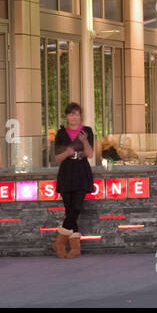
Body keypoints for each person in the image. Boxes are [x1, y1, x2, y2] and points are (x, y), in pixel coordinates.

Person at [53, 102, 95, 257]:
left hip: (82, 171)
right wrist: (67, 152)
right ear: (67, 116)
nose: (74, 117)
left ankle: (59, 242)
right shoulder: (61, 134)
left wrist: (84, 142)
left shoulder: (87, 131)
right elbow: (57, 158)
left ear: (80, 115)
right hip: (66, 172)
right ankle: (75, 247)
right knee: (70, 209)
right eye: (71, 114)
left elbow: (90, 155)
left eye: (77, 114)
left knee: (76, 207)